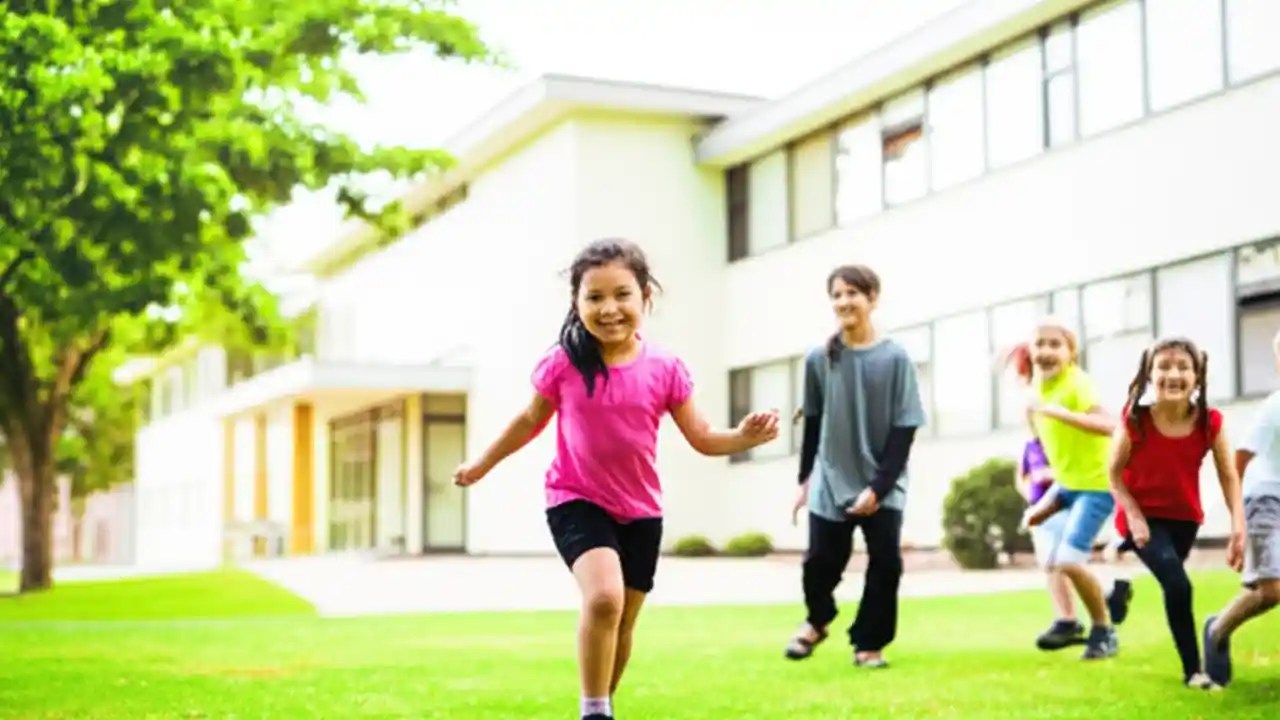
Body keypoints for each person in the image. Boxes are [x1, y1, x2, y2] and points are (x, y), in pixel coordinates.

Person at [452, 239, 780, 720]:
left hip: (641, 511)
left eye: (622, 295)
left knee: (623, 622)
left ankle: (604, 704)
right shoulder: (563, 363)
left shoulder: (665, 369)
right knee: (603, 598)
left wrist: (745, 437)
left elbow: (705, 438)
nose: (609, 309)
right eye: (595, 297)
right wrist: (482, 464)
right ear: (576, 303)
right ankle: (594, 711)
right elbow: (528, 421)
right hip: (575, 497)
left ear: (646, 296)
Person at [782, 264, 926, 669]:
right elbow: (812, 422)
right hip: (830, 478)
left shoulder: (895, 357)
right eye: (837, 294)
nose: (844, 301)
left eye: (853, 293)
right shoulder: (818, 359)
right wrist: (804, 480)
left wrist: (878, 489)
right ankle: (818, 619)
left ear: (872, 299)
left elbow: (905, 428)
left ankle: (869, 644)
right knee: (819, 563)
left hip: (884, 481)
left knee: (886, 564)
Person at [1107, 337, 1244, 689]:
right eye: (1164, 366)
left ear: (1197, 378)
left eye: (1183, 367)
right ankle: (1194, 673)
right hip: (1142, 515)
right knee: (1177, 583)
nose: (1173, 374)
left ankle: (1119, 582)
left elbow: (1228, 475)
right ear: (1149, 376)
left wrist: (1238, 526)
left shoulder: (1209, 423)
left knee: (1169, 575)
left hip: (1185, 519)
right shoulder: (1136, 420)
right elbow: (1113, 475)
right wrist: (1134, 516)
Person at [1003, 343, 1126, 649]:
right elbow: (1024, 474)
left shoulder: (1077, 386)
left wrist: (1063, 414)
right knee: (1055, 562)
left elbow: (1112, 425)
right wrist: (1035, 503)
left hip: (1090, 488)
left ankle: (1099, 623)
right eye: (1039, 345)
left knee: (1066, 559)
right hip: (1065, 491)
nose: (1044, 351)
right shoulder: (1037, 426)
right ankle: (1086, 611)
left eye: (1054, 344)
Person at [1204, 330, 1280, 688]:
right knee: (1272, 590)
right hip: (1265, 499)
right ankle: (1217, 631)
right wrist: (1237, 520)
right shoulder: (1275, 407)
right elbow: (1238, 460)